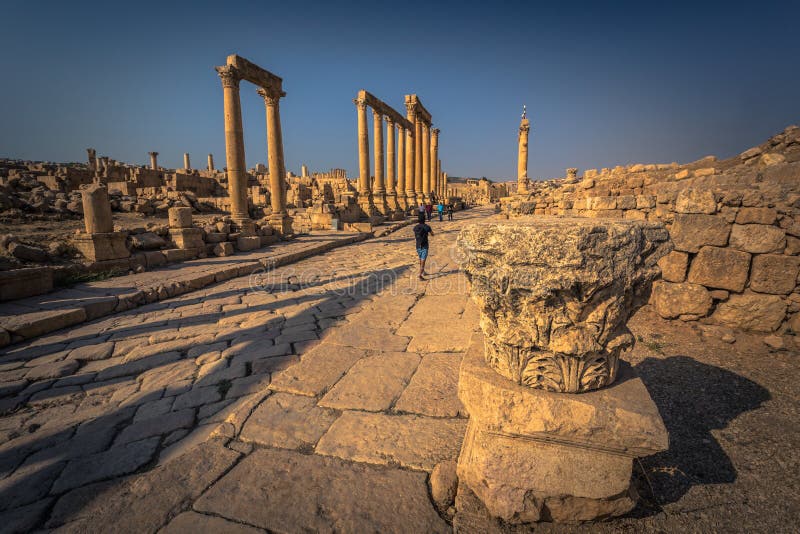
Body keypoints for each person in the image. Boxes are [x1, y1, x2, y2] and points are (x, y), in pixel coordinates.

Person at [413, 212, 433, 280]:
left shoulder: (415, 227)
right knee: (423, 260)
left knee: (420, 259)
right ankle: (420, 275)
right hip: (424, 245)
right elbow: (432, 234)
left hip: (418, 245)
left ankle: (423, 271)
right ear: (424, 219)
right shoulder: (427, 227)